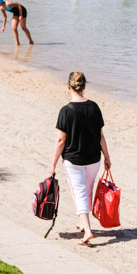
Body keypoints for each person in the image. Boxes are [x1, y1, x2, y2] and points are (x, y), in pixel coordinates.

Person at [50, 71, 112, 246]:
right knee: (87, 191)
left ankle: (88, 231)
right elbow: (101, 136)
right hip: (94, 158)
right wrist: (107, 157)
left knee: (79, 194)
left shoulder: (66, 111)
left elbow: (61, 140)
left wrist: (53, 163)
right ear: (84, 87)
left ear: (68, 87)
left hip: (73, 160)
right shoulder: (94, 107)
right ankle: (82, 222)